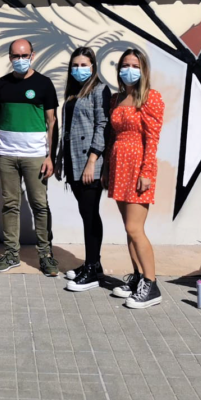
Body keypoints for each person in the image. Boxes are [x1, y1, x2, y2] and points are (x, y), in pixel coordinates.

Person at [0, 39, 60, 276]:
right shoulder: (2, 84)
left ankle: (45, 255)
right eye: (16, 56)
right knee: (10, 205)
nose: (20, 60)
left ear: (32, 55)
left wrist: (50, 156)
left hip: (35, 157)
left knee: (40, 205)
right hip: (7, 155)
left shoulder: (44, 84)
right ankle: (11, 254)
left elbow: (52, 122)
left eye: (24, 55)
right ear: (9, 57)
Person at [105, 47, 165, 309]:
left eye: (134, 66)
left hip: (138, 165)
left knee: (134, 228)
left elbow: (152, 138)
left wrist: (147, 172)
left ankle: (151, 285)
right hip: (119, 165)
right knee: (128, 228)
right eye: (125, 65)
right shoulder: (116, 98)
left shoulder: (151, 98)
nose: (129, 70)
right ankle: (138, 277)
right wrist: (107, 169)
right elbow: (112, 136)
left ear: (143, 70)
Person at [53, 47, 111, 292]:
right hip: (72, 162)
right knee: (86, 213)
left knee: (90, 215)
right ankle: (92, 264)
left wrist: (92, 161)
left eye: (84, 65)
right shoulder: (73, 92)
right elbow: (66, 130)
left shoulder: (99, 90)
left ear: (93, 66)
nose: (79, 69)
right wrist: (59, 159)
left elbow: (102, 125)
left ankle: (92, 269)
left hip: (89, 164)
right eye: (75, 65)